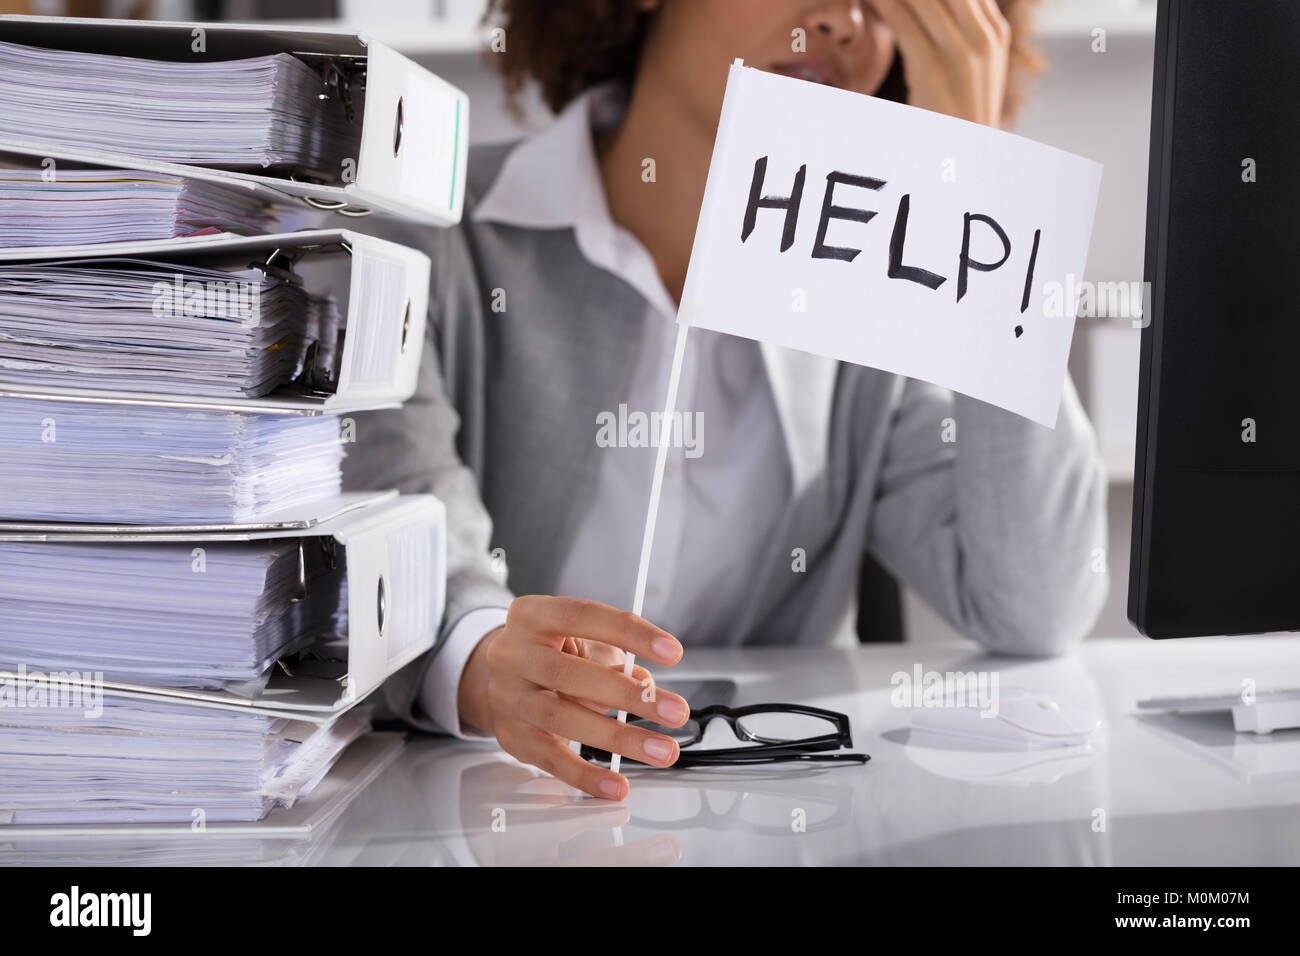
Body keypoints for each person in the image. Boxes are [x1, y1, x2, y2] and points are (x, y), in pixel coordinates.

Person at [346, 0, 1108, 800]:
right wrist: (487, 662)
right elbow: (398, 525)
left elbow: (1033, 602)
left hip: (776, 816)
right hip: (491, 815)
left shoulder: (874, 292)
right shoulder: (431, 229)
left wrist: (987, 198)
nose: (848, 21)